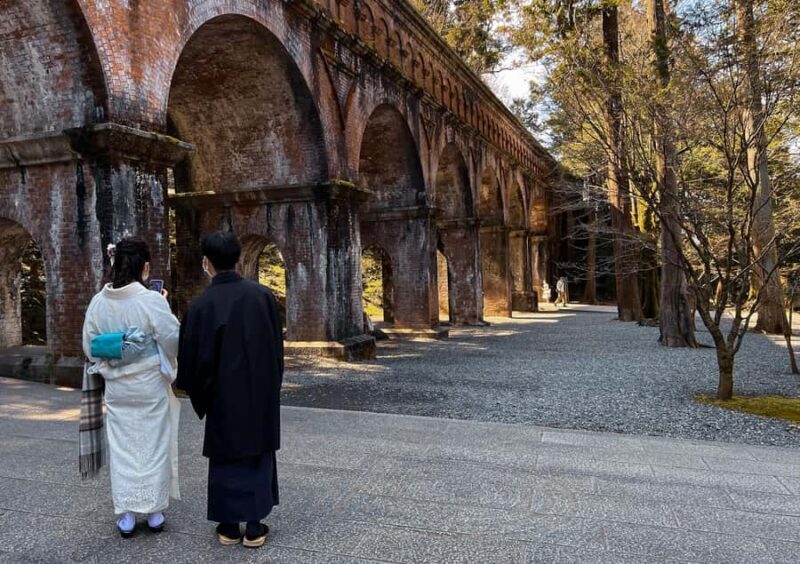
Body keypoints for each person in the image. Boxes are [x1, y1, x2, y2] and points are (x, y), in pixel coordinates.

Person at [177, 231, 284, 548]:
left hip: (222, 398)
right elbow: (277, 351)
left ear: (206, 262)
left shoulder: (200, 306)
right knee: (257, 454)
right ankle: (254, 526)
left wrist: (203, 396)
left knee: (225, 458)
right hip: (259, 394)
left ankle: (227, 525)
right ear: (238, 259)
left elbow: (193, 361)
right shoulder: (263, 297)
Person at [81, 238, 181, 538]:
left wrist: (115, 350)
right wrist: (162, 303)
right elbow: (173, 341)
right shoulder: (151, 300)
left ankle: (125, 515)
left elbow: (90, 346)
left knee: (123, 448)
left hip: (117, 387)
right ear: (145, 267)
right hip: (149, 385)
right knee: (154, 446)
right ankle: (153, 513)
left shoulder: (99, 301)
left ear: (115, 263)